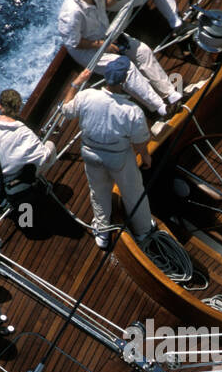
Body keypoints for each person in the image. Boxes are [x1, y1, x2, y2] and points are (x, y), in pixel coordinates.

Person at [58, 0, 182, 116]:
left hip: (105, 34)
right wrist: (102, 45)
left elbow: (106, 2)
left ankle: (171, 94)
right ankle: (160, 107)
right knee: (127, 68)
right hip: (86, 49)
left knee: (143, 52)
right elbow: (74, 42)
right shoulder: (71, 13)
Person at [62, 61, 156, 249]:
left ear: (105, 77)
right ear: (124, 81)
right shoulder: (132, 111)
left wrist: (75, 83)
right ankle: (144, 230)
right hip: (118, 159)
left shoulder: (86, 95)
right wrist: (145, 157)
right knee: (133, 193)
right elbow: (139, 143)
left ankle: (103, 234)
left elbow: (66, 110)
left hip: (90, 155)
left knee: (99, 193)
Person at [0, 89, 56, 194]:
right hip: (7, 183)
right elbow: (45, 158)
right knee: (49, 146)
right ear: (18, 108)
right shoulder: (24, 133)